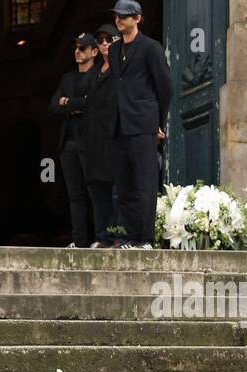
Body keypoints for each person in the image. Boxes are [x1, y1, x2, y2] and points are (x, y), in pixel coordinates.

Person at [108, 0, 171, 249]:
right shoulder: (113, 51)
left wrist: (158, 121)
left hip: (143, 124)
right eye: (117, 16)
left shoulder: (151, 48)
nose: (119, 20)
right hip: (119, 126)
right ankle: (129, 237)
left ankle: (144, 239)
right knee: (123, 187)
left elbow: (165, 87)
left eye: (124, 16)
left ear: (137, 19)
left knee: (145, 184)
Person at [49, 34, 100, 248]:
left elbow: (94, 104)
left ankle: (100, 239)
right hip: (67, 145)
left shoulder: (99, 75)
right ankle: (79, 241)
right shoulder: (67, 78)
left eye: (83, 48)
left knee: (96, 192)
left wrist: (68, 102)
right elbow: (53, 107)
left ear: (94, 52)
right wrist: (77, 105)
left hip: (90, 142)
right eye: (76, 47)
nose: (77, 51)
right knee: (75, 195)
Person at [84, 25, 121, 248]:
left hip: (116, 137)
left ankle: (118, 235)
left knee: (118, 190)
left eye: (109, 39)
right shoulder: (93, 73)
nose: (104, 43)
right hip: (94, 140)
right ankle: (102, 236)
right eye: (100, 40)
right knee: (98, 191)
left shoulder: (124, 68)